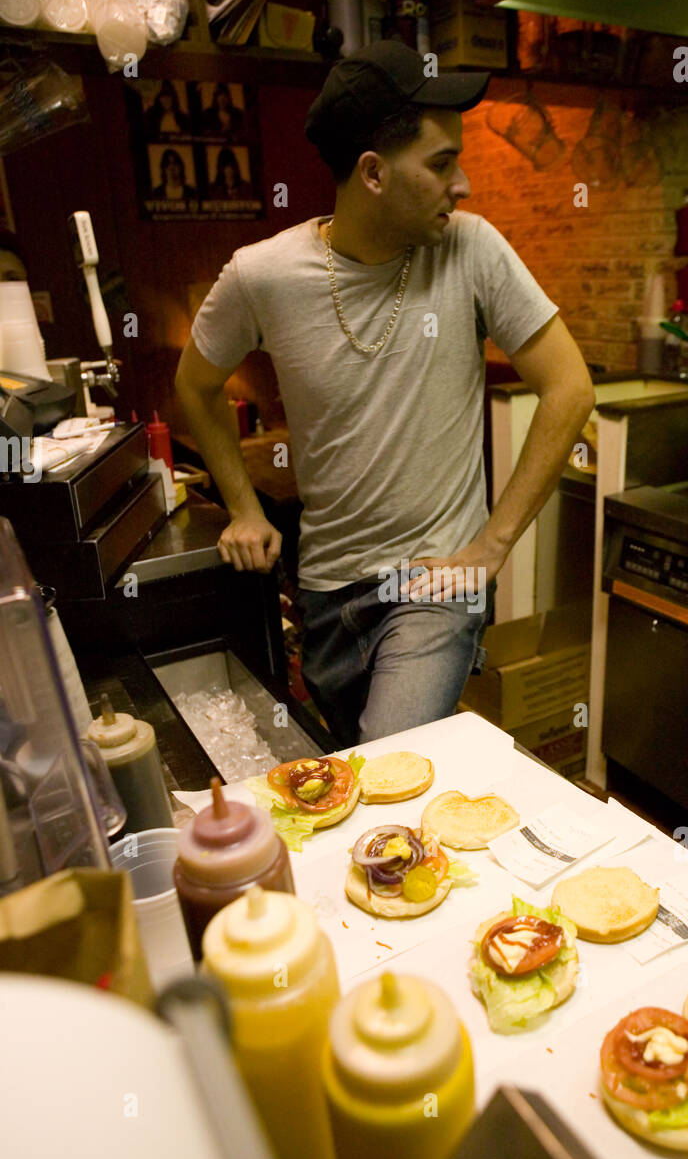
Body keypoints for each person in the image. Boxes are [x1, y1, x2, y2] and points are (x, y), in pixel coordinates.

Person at [175, 41, 594, 747]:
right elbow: (196, 384)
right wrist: (243, 508)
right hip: (327, 591)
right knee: (354, 771)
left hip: (434, 582)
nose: (460, 184)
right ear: (372, 172)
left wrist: (490, 547)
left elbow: (568, 388)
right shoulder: (262, 275)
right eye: (440, 164)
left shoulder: (472, 249)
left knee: (389, 760)